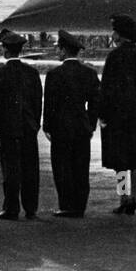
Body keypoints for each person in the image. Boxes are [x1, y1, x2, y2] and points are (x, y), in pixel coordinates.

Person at [42, 30, 100, 218]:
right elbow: (94, 103)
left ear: (64, 50)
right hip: (81, 125)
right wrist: (91, 124)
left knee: (62, 166)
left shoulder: (54, 74)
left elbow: (49, 104)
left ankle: (66, 205)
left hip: (60, 125)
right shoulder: (89, 73)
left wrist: (47, 126)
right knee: (81, 167)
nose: (57, 52)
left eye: (58, 49)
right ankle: (79, 205)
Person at [0, 29, 43, 219]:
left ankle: (11, 207)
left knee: (10, 169)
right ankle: (31, 207)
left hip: (8, 128)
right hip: (28, 126)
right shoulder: (32, 73)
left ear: (5, 50)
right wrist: (35, 123)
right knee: (30, 168)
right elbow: (37, 102)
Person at [100, 14, 136, 214]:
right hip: (135, 115)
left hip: (116, 117)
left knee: (119, 161)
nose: (112, 34)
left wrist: (103, 114)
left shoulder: (114, 57)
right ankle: (134, 197)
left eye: (114, 31)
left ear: (120, 35)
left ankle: (123, 197)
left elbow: (106, 88)